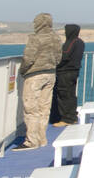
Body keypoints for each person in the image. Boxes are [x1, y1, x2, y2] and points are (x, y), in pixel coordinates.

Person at [17, 12, 63, 149]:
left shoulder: (35, 38)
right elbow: (59, 58)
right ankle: (42, 138)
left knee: (31, 109)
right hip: (50, 74)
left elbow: (28, 58)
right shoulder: (56, 38)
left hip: (34, 76)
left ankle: (31, 141)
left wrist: (22, 71)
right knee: (44, 108)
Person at [49, 24, 85, 126]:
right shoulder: (80, 42)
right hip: (73, 71)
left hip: (65, 72)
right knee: (71, 94)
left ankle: (67, 119)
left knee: (64, 95)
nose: (65, 32)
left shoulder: (71, 42)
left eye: (66, 31)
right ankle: (72, 116)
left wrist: (55, 61)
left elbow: (64, 56)